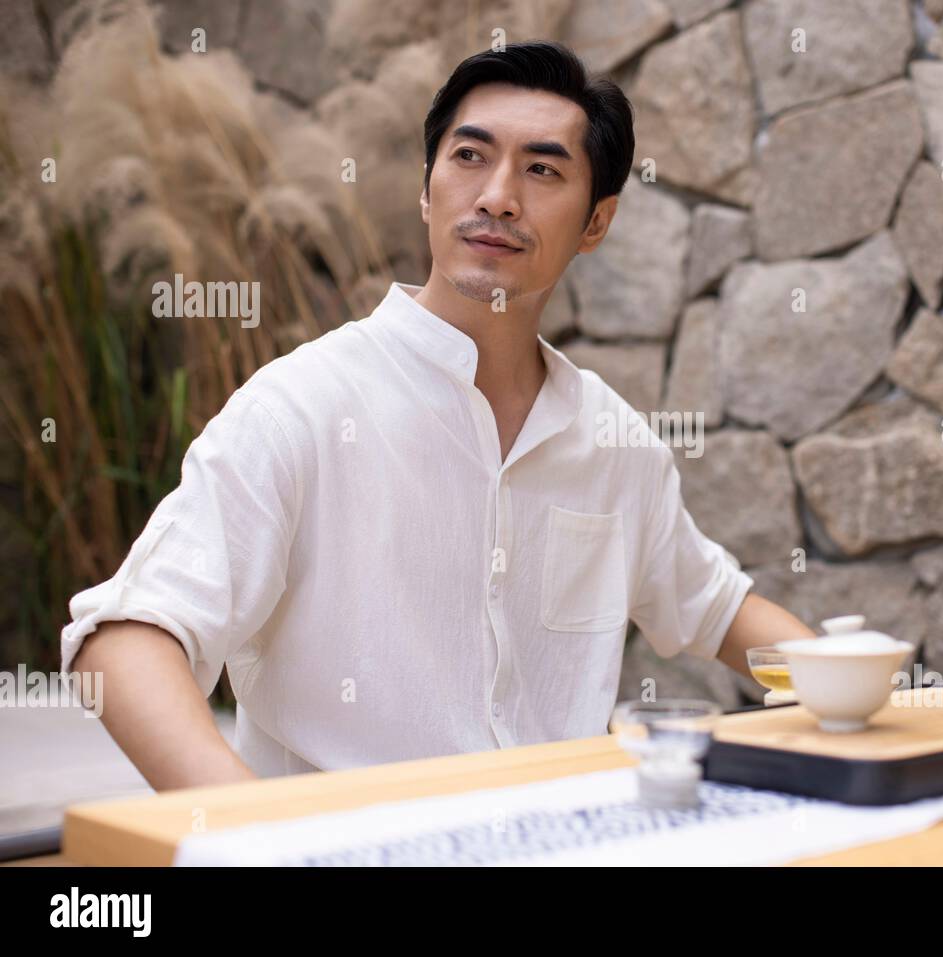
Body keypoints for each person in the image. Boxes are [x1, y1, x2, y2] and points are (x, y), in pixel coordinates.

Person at [61, 40, 814, 790]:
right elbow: (125, 640)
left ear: (596, 223)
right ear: (427, 192)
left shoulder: (618, 446)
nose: (497, 196)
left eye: (543, 169)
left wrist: (864, 690)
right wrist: (254, 835)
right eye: (469, 158)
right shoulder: (301, 406)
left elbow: (721, 614)